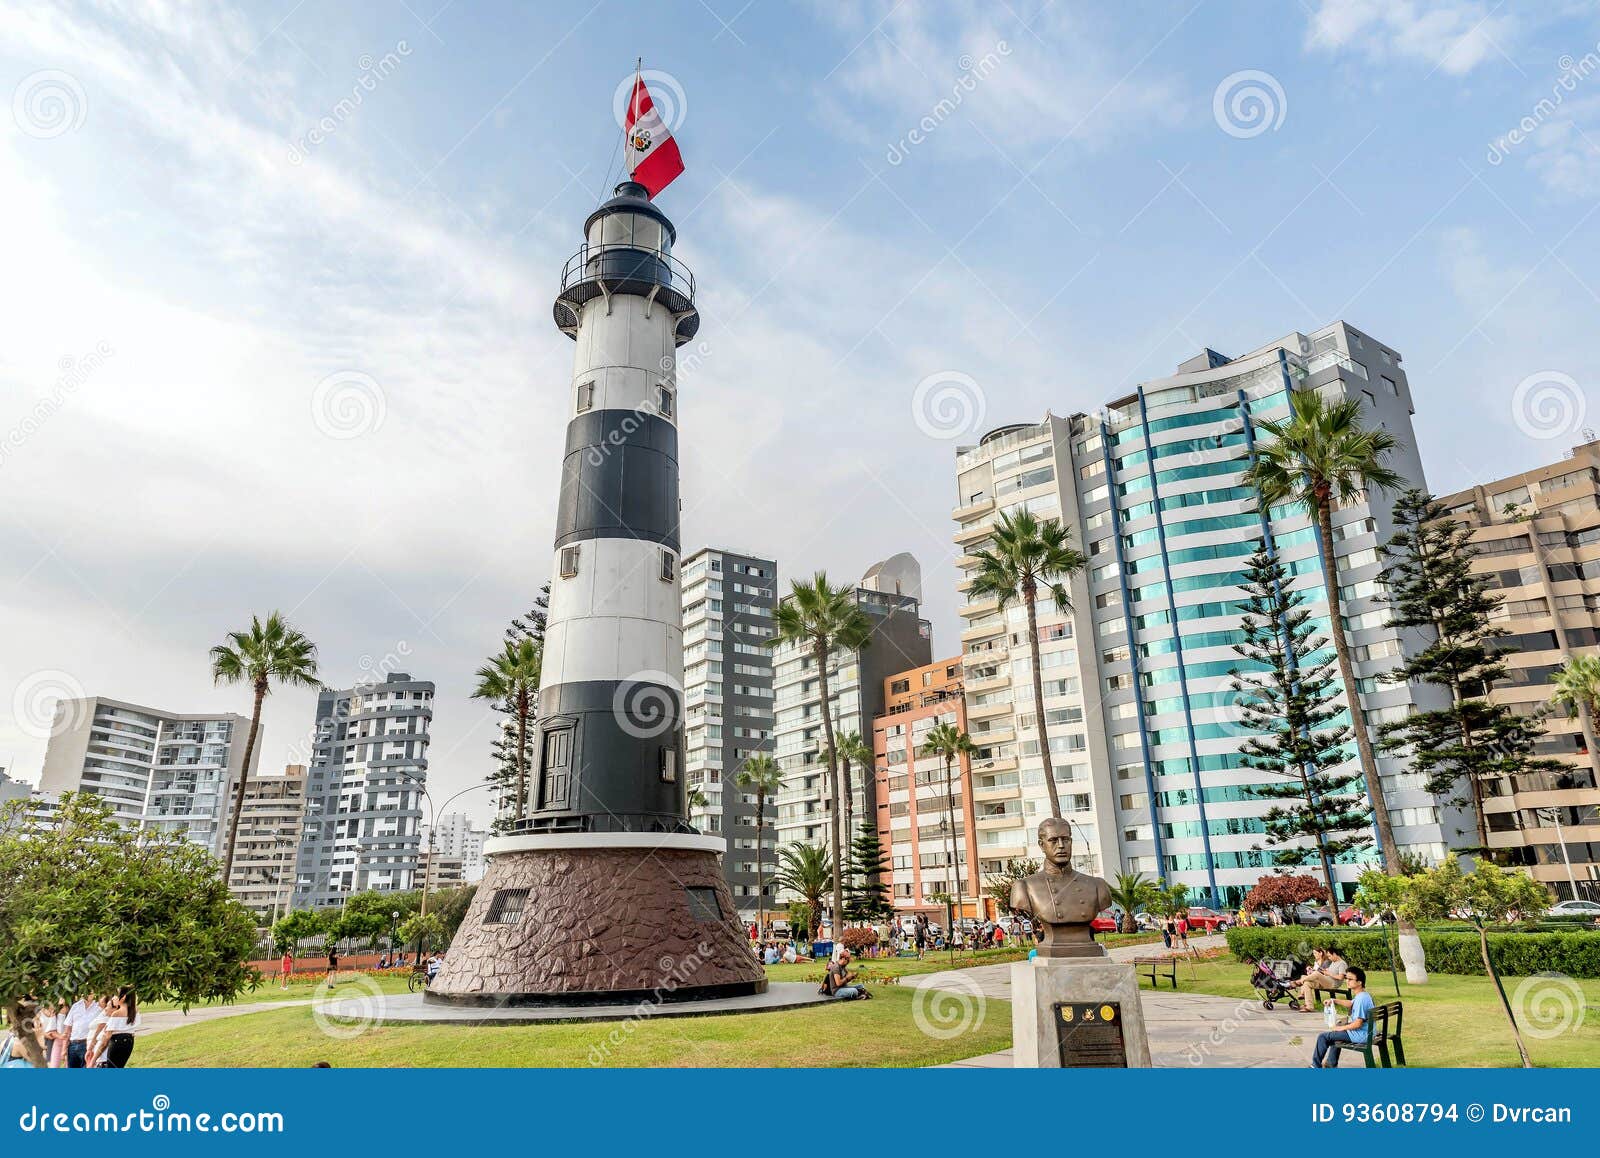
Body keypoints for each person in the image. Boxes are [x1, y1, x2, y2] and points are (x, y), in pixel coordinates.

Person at [1311, 967, 1373, 1068]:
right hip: (1367, 1032)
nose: (1347, 981)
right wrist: (1334, 1000)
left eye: (1350, 979)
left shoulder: (1361, 999)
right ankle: (1331, 1064)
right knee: (1335, 1034)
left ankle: (1315, 1066)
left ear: (1359, 982)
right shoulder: (1363, 995)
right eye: (1346, 979)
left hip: (1361, 1035)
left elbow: (1358, 1024)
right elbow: (1350, 1003)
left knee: (1323, 1037)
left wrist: (1339, 1028)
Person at [85, 988, 137, 1069]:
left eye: (116, 995)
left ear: (123, 997)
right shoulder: (134, 1013)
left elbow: (105, 1042)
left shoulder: (116, 1014)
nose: (113, 997)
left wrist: (92, 1061)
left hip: (106, 1057)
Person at [1298, 946, 1350, 1011]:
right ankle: (1309, 1006)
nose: (1329, 958)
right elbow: (1330, 972)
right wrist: (1325, 971)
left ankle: (1300, 981)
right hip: (1326, 981)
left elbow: (1340, 977)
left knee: (1316, 973)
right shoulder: (1334, 962)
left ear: (1334, 954)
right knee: (1307, 983)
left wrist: (1329, 973)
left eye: (1329, 956)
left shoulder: (1342, 963)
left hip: (1332, 984)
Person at [63, 995, 101, 1068]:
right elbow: (68, 1028)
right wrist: (64, 1048)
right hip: (72, 1045)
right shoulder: (76, 1006)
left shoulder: (99, 1006)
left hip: (87, 1045)